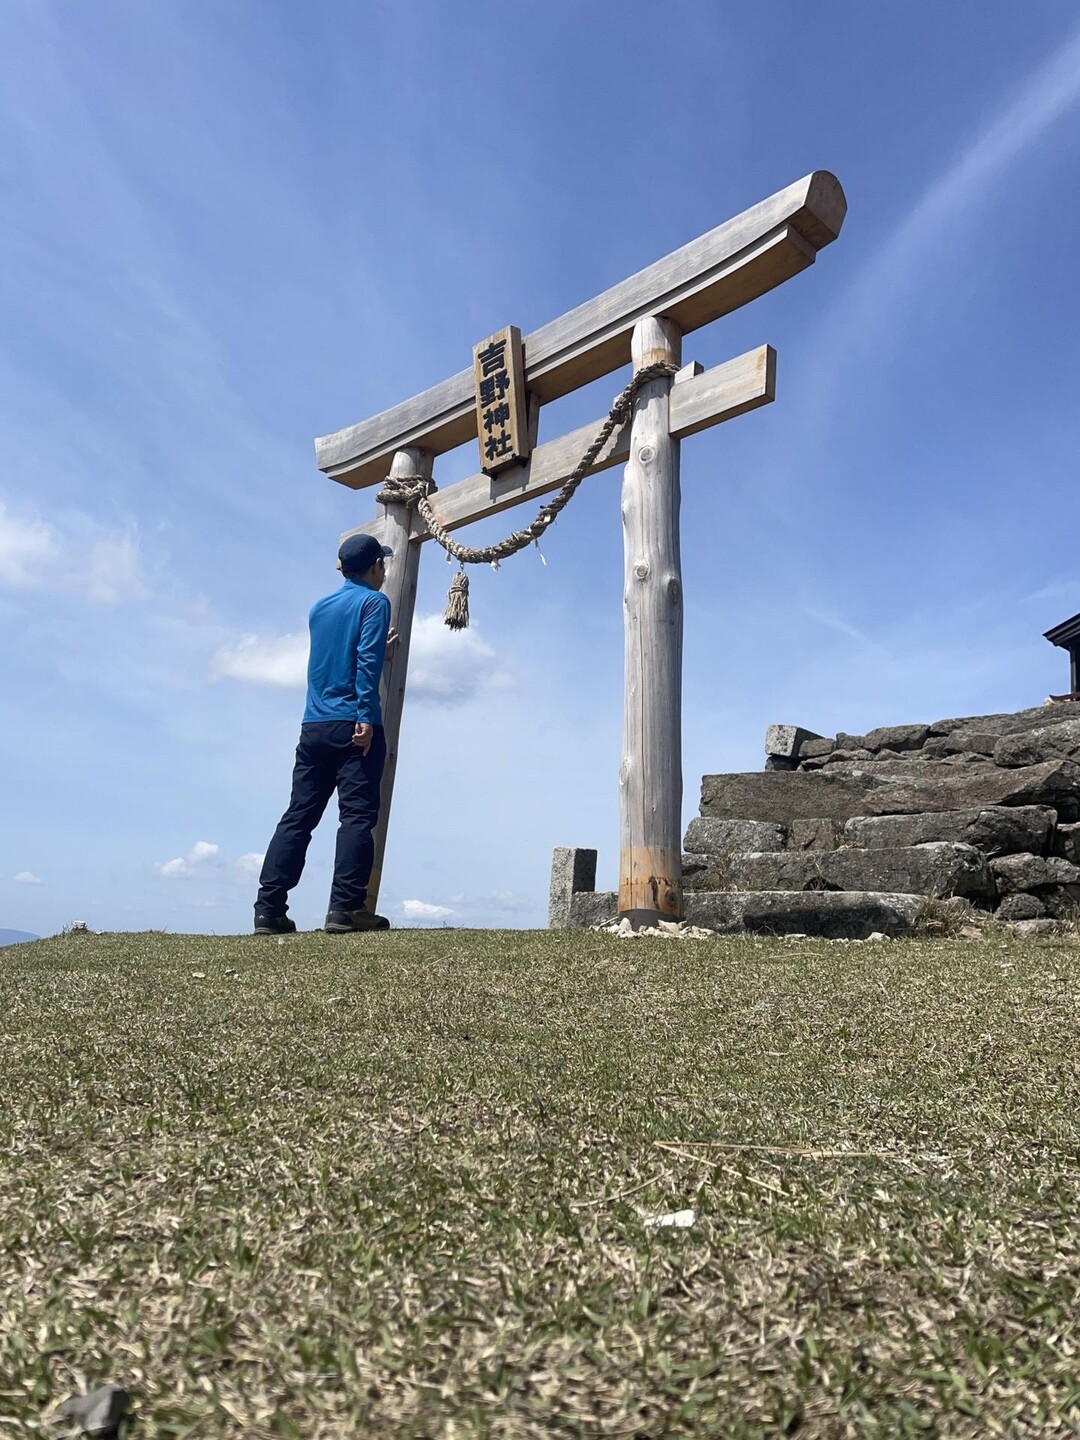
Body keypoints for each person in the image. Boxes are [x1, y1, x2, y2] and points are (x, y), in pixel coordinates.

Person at [253, 533, 397, 935]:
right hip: (354, 722)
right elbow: (365, 661)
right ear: (374, 567)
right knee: (356, 816)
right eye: (381, 564)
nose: (384, 570)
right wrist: (366, 715)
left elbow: (334, 656)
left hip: (313, 724)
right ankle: (346, 909)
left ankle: (269, 910)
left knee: (299, 815)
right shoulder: (375, 602)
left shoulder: (319, 608)